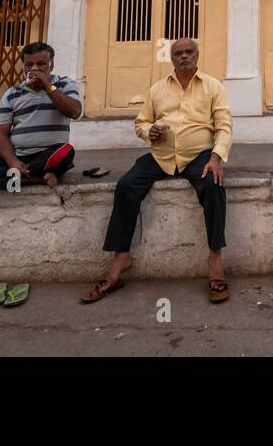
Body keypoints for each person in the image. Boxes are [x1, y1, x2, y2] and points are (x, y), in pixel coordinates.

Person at [82, 38, 232, 304]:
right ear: (171, 58)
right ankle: (121, 258)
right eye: (178, 53)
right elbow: (141, 121)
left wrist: (216, 157)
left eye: (189, 52)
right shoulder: (157, 90)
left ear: (197, 55)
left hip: (197, 156)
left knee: (213, 185)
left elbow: (224, 125)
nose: (184, 56)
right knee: (126, 186)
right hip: (160, 156)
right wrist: (147, 131)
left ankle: (215, 258)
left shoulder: (213, 87)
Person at [0, 42, 80, 190]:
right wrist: (12, 162)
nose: (34, 69)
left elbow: (74, 112)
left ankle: (15, 180)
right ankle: (37, 179)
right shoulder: (11, 94)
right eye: (29, 65)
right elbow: (2, 135)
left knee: (65, 152)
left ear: (51, 65)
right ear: (23, 66)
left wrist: (48, 86)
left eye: (41, 64)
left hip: (48, 155)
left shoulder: (64, 84)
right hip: (19, 156)